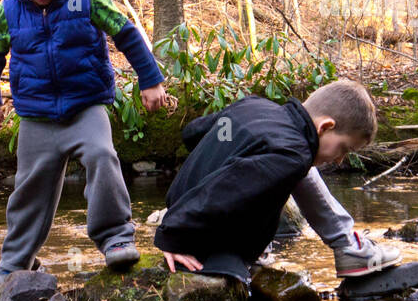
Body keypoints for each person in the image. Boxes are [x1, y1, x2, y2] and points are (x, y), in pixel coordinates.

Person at [0, 0, 171, 287]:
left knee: (102, 156)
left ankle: (115, 238)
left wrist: (151, 81)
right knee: (31, 186)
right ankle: (17, 261)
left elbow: (127, 34)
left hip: (86, 106)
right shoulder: (11, 8)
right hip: (36, 114)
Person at [154, 79, 401, 281]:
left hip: (181, 204)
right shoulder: (289, 155)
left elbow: (194, 133)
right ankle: (348, 248)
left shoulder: (254, 107)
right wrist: (173, 236)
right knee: (297, 159)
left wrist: (221, 150)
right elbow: (225, 189)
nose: (339, 160)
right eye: (344, 149)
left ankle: (347, 246)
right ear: (325, 127)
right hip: (208, 245)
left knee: (300, 159)